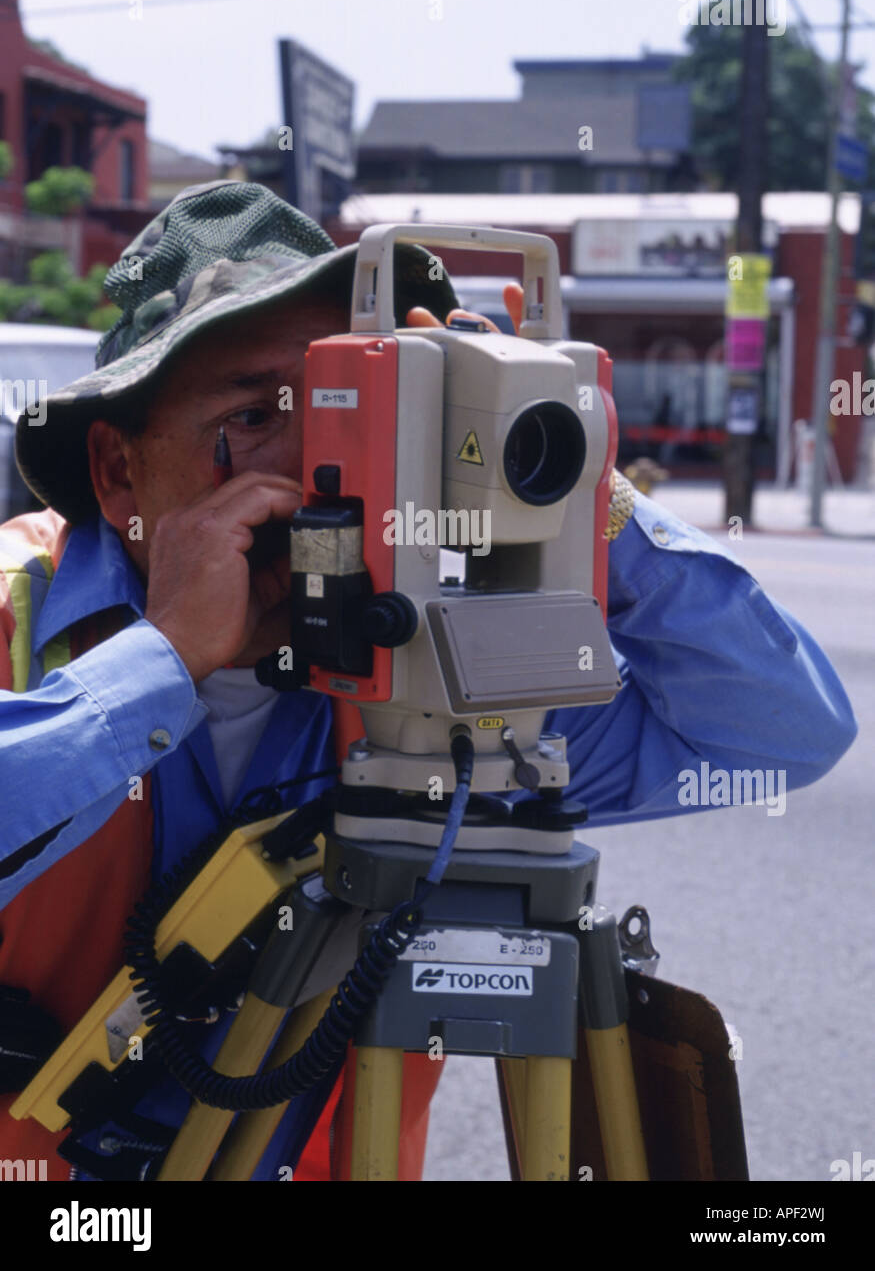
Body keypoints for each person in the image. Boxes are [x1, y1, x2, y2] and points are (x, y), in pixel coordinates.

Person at [0, 181, 856, 1181]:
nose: (321, 461)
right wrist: (165, 660)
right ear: (116, 471)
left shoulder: (429, 677)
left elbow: (782, 727)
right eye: (255, 413)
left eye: (350, 403)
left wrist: (569, 476)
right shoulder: (18, 605)